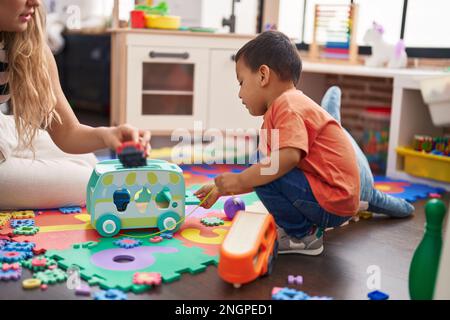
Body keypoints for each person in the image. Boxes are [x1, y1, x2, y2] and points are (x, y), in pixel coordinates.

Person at [195, 31, 414, 256]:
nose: (240, 94)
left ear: (263, 75)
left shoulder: (287, 105)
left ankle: (302, 236)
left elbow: (287, 158)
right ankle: (302, 228)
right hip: (331, 198)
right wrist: (222, 189)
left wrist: (240, 179)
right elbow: (267, 175)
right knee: (262, 164)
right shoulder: (284, 108)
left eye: (241, 82)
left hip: (332, 200)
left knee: (264, 163)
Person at [0, 0, 151, 209]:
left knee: (91, 162)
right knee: (93, 181)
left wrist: (109, 135)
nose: (35, 2)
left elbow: (68, 133)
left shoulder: (28, 44)